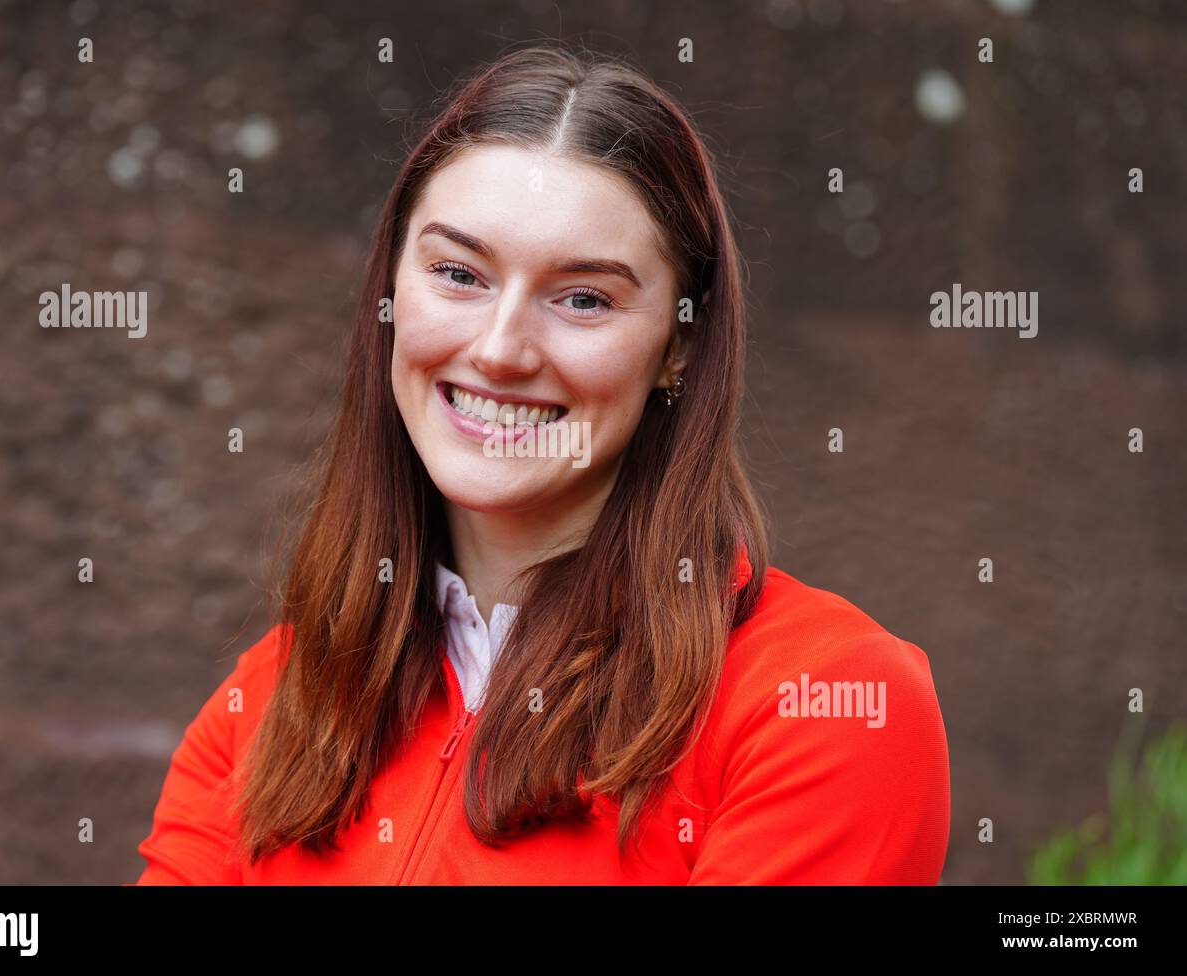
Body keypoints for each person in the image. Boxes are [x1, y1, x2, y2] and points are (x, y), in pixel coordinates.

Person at [134, 44, 950, 885]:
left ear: (680, 343)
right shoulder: (274, 695)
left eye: (584, 298)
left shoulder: (823, 700)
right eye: (458, 273)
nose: (499, 350)